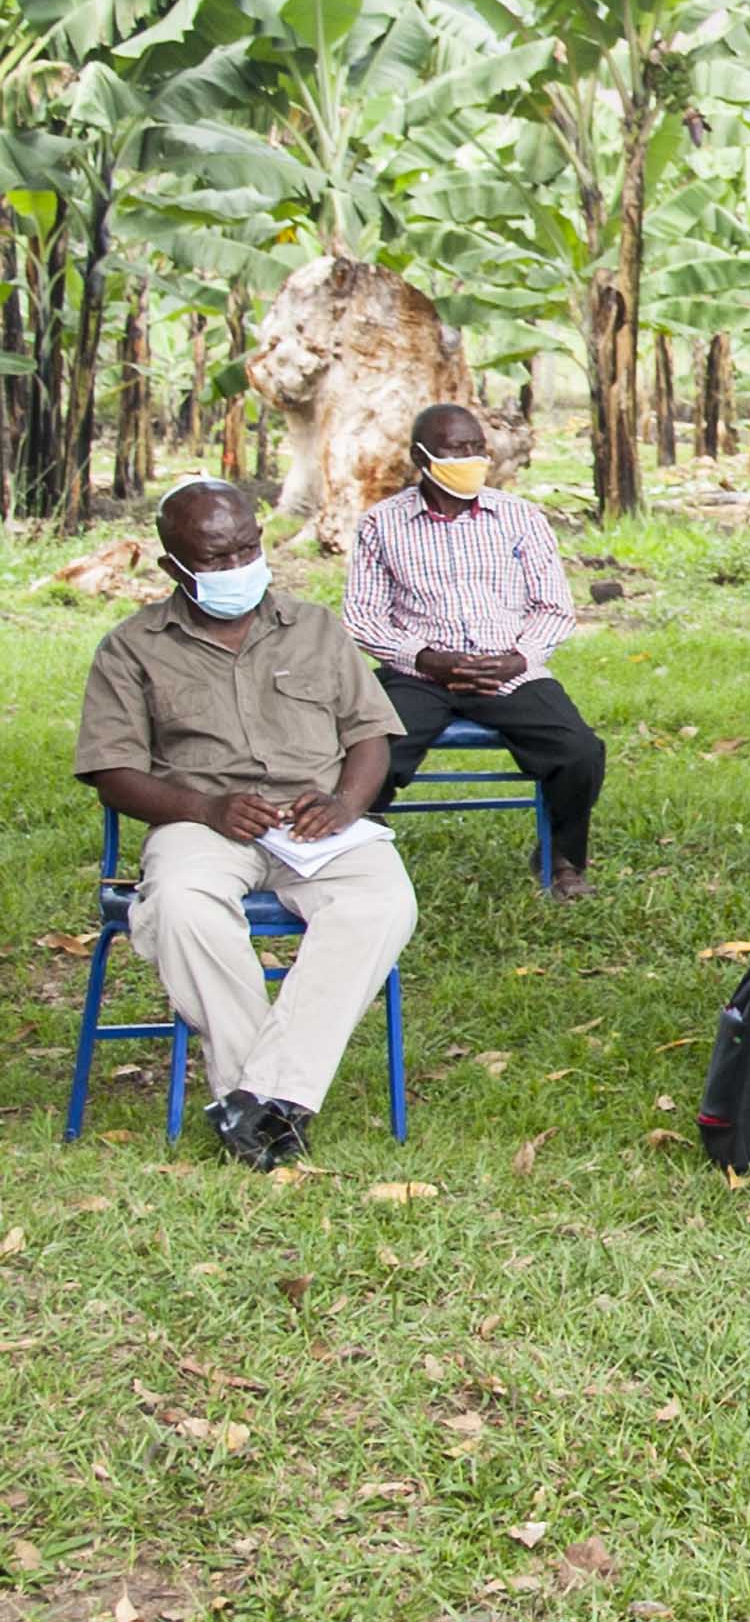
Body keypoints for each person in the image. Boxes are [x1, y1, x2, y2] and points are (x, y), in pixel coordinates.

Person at [74, 481, 418, 1170]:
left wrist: (348, 803)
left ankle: (258, 1099)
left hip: (316, 821)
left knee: (382, 900)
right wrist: (204, 807)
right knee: (179, 902)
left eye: (248, 548)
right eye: (216, 557)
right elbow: (111, 770)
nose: (238, 567)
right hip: (200, 819)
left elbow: (371, 735)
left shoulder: (316, 627)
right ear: (174, 566)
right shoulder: (133, 647)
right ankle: (263, 1099)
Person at [344, 402, 608, 899]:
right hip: (418, 672)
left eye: (476, 449)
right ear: (421, 457)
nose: (470, 459)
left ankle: (564, 859)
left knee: (578, 752)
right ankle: (355, 849)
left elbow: (554, 608)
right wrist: (424, 658)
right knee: (369, 748)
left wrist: (518, 657)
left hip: (506, 667)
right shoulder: (382, 524)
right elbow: (363, 617)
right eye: (455, 450)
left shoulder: (520, 517)